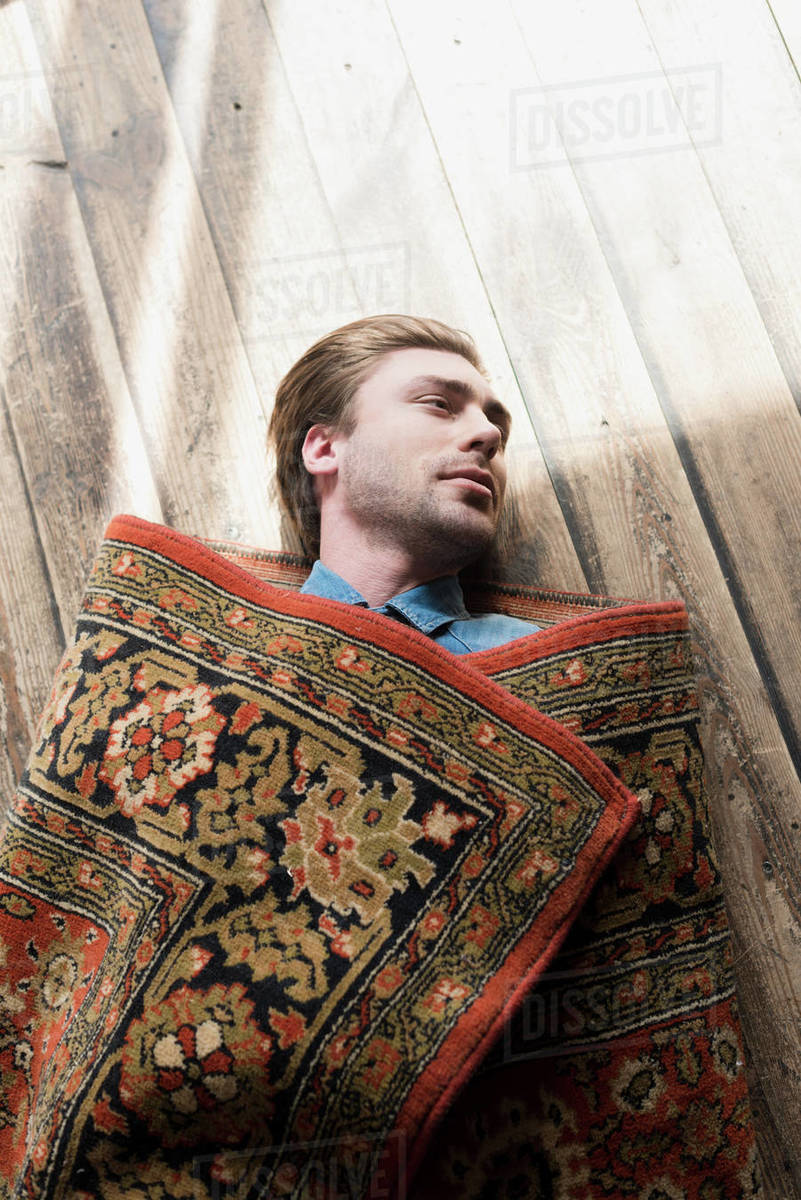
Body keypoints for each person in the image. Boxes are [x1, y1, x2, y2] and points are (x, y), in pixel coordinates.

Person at [268, 314, 540, 653]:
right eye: (438, 404)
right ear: (324, 449)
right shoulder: (218, 653)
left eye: (496, 424)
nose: (490, 434)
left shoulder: (544, 660)